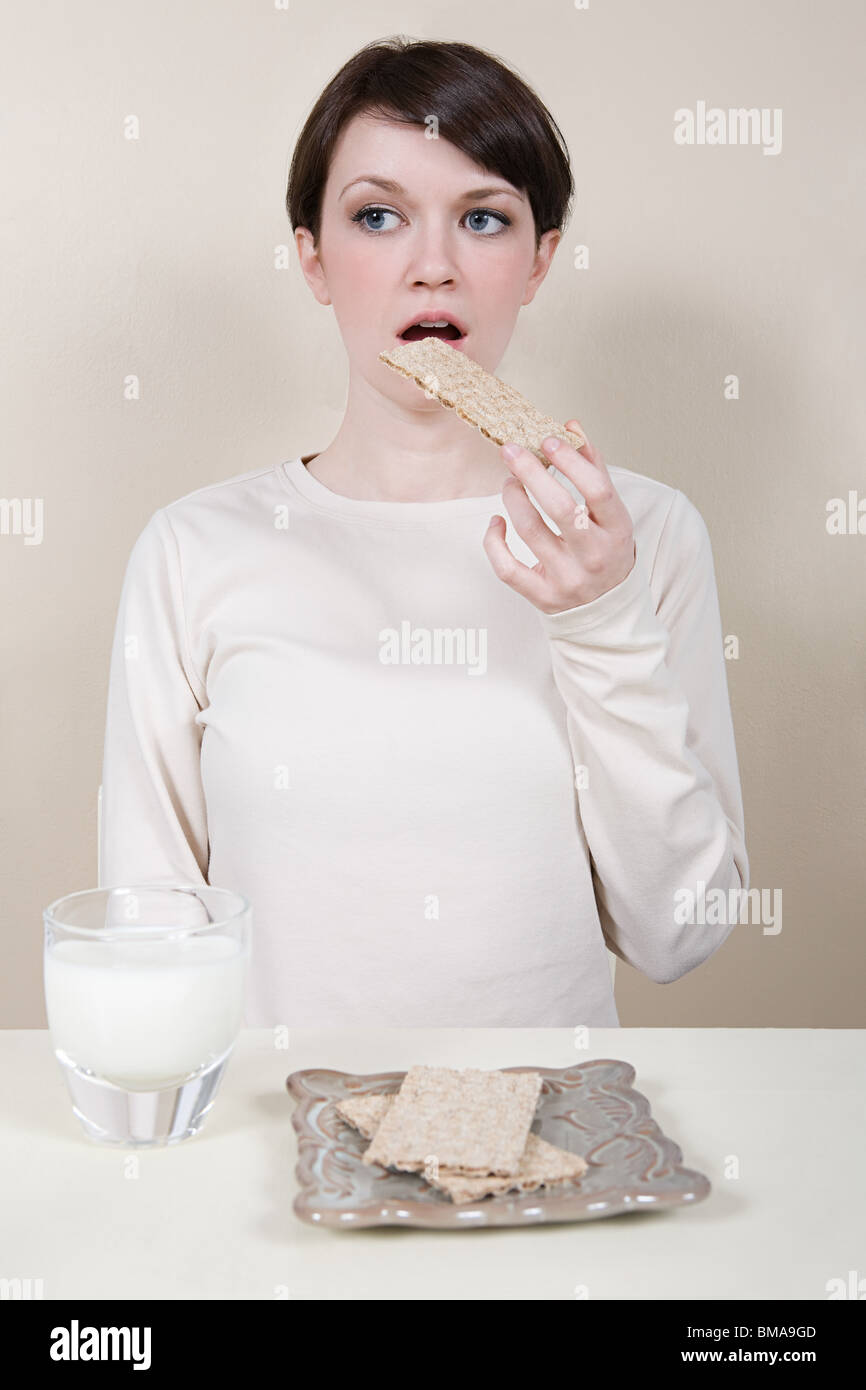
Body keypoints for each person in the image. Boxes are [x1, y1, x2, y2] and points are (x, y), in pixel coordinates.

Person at [99, 37, 749, 1027]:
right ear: (313, 258)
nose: (432, 267)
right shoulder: (193, 549)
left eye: (482, 219)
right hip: (281, 1153)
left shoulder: (641, 536)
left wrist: (600, 617)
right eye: (376, 217)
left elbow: (681, 933)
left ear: (537, 261)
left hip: (550, 1155)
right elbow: (150, 931)